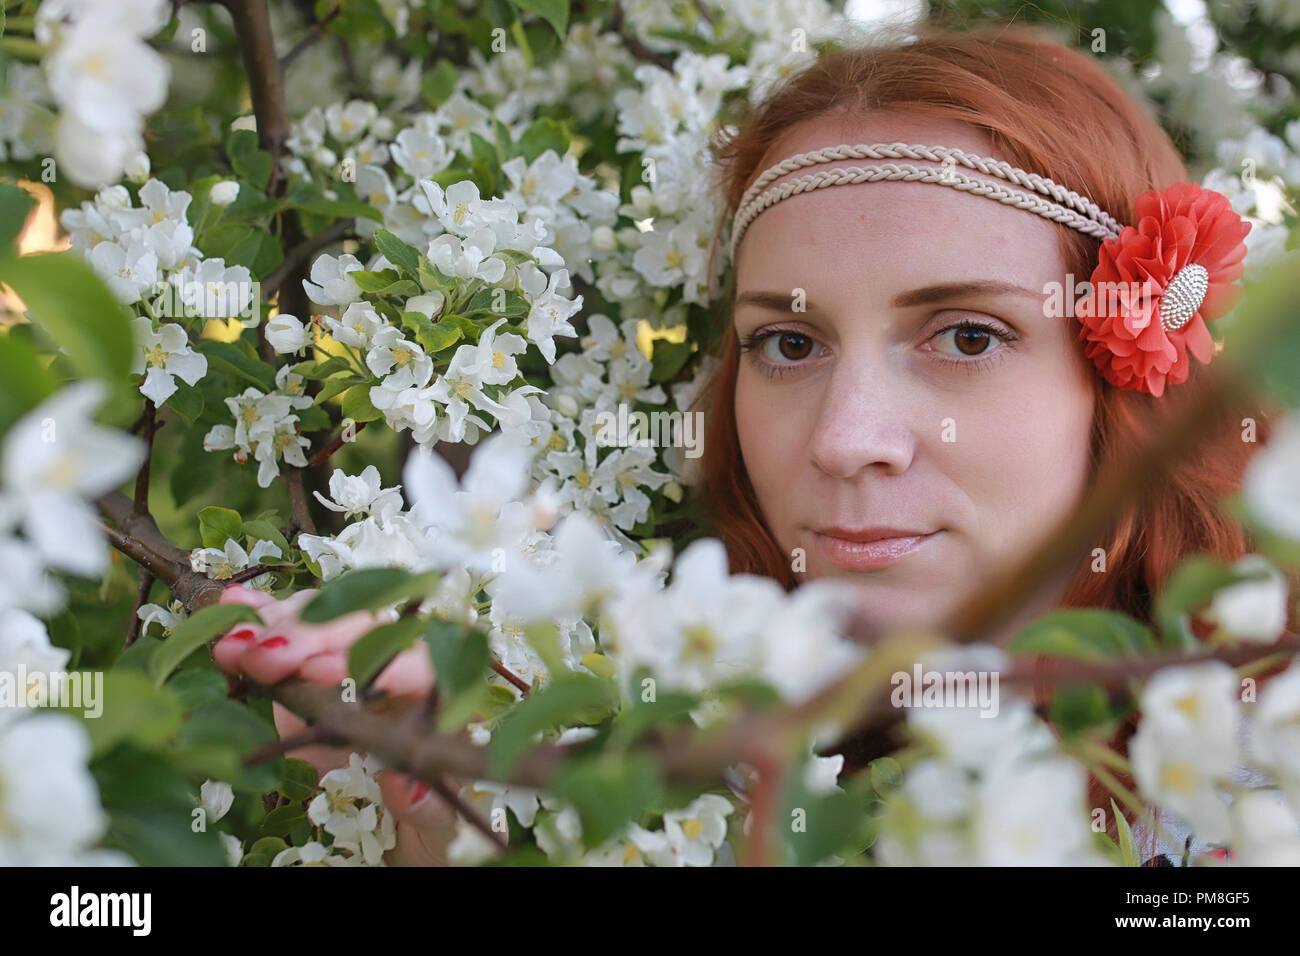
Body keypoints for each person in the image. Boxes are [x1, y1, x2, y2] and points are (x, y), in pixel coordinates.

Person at [213, 23, 1284, 866]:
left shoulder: (1260, 777)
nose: (845, 440)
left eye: (965, 334)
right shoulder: (671, 745)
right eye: (788, 341)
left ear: (1131, 373)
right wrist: (456, 817)